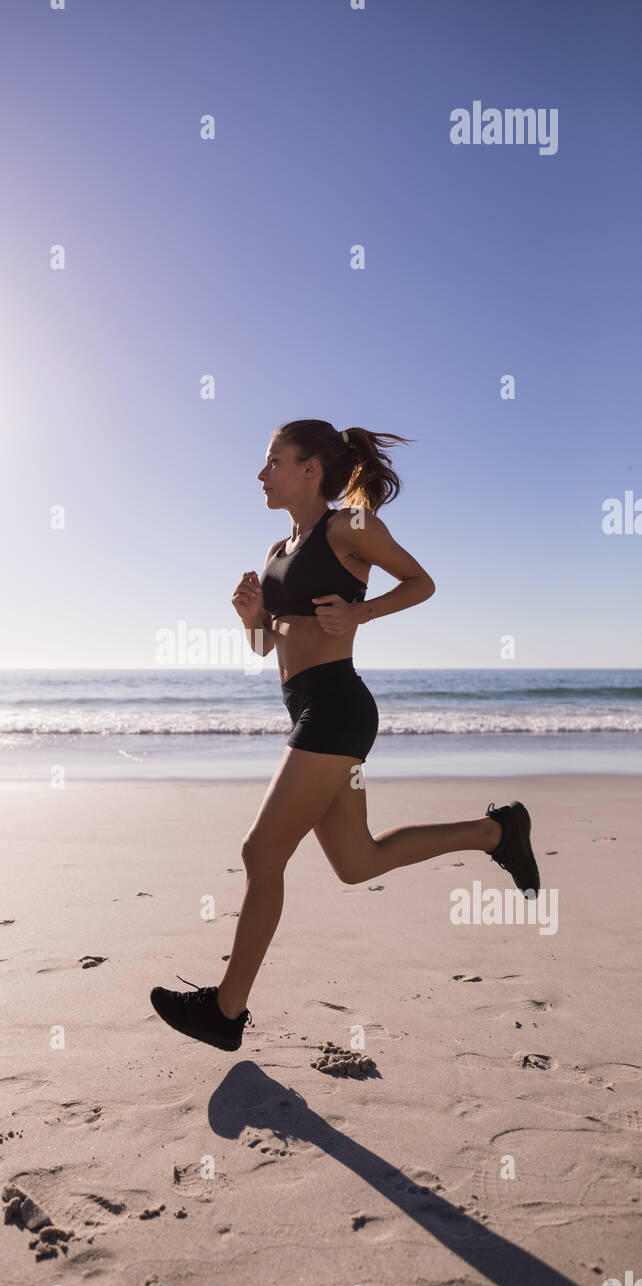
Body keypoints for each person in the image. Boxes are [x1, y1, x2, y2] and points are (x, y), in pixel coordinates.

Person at [150, 419, 539, 1051]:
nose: (260, 474)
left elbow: (421, 582)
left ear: (310, 470)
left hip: (335, 706)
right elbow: (267, 647)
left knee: (260, 853)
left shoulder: (349, 527)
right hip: (308, 706)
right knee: (356, 863)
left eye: (272, 461)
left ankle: (226, 1011)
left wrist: (361, 612)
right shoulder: (278, 550)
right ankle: (497, 831)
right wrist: (252, 619)